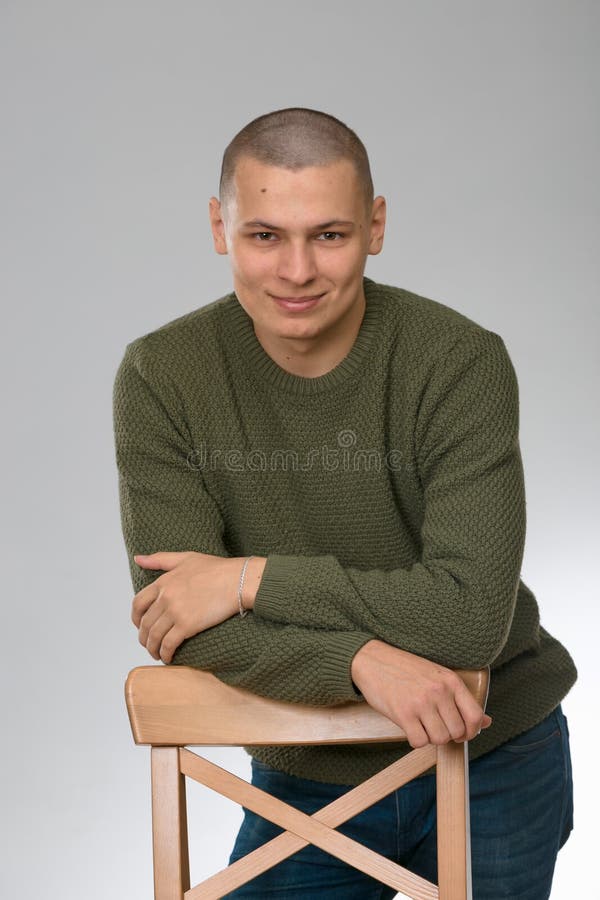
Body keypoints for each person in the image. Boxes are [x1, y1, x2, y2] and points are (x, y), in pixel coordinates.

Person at [113, 107, 576, 898]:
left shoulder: (459, 362)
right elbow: (180, 621)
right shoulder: (162, 376)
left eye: (328, 234)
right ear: (220, 228)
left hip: (494, 753)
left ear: (376, 226)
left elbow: (469, 620)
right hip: (304, 759)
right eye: (265, 235)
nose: (297, 270)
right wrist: (358, 663)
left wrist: (249, 580)